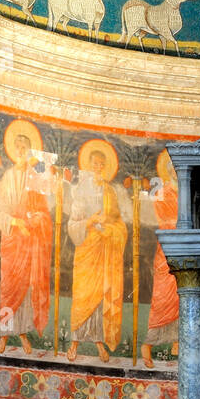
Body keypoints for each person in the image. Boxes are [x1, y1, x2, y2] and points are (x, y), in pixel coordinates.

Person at [66, 144, 130, 363]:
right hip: (86, 247)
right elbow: (72, 224)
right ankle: (75, 341)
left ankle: (99, 343)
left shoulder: (109, 191)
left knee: (101, 295)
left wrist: (110, 228)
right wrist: (91, 221)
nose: (99, 168)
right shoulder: (81, 190)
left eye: (102, 165)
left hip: (104, 249)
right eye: (95, 164)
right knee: (83, 293)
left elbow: (118, 222)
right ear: (88, 165)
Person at [0, 124, 54, 356]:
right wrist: (18, 223)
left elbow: (43, 211)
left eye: (24, 147)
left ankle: (22, 333)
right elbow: (0, 211)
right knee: (9, 288)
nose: (20, 150)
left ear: (30, 151)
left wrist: (36, 220)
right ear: (12, 149)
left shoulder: (36, 177)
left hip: (30, 243)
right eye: (17, 146)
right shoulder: (8, 177)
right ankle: (5, 332)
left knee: (26, 289)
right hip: (13, 240)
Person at [140, 151, 179, 368]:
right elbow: (158, 216)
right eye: (172, 167)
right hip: (167, 249)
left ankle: (177, 341)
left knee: (182, 296)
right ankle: (148, 344)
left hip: (185, 249)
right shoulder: (160, 188)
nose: (175, 171)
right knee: (162, 298)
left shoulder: (188, 190)